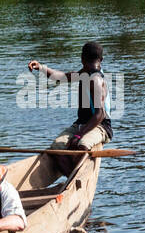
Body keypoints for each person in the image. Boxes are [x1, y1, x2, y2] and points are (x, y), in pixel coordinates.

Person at [26, 42, 112, 170]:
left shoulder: (96, 80)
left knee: (82, 145)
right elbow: (60, 77)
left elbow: (100, 115)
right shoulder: (84, 73)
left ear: (82, 58)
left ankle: (75, 178)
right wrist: (42, 68)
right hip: (81, 124)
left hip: (101, 126)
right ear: (101, 60)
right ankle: (71, 177)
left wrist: (78, 135)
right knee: (56, 147)